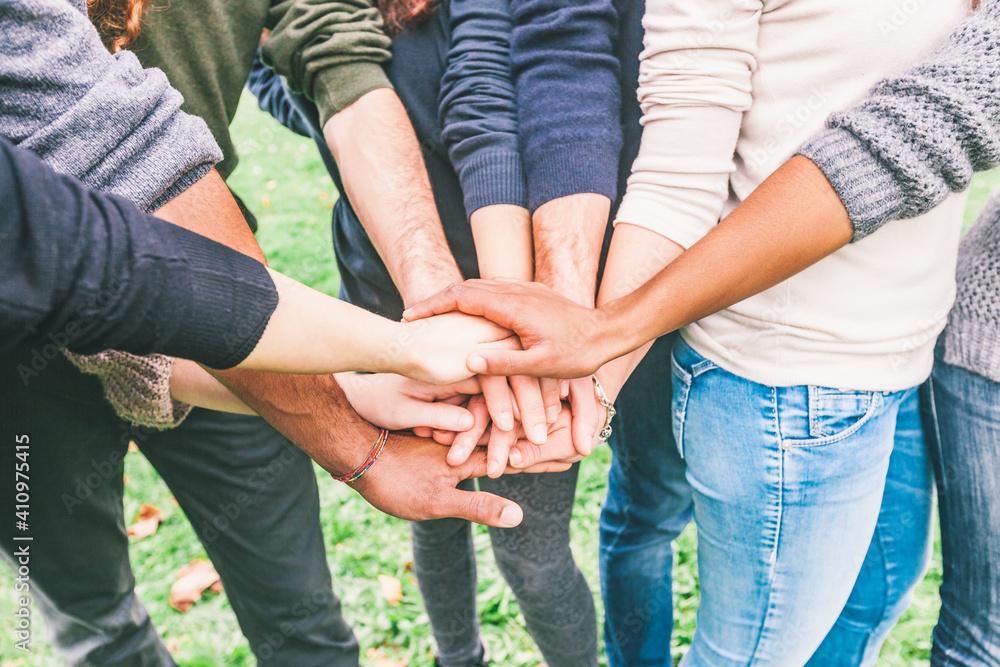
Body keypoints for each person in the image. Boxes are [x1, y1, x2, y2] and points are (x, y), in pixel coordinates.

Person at [411, 0, 972, 663]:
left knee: (870, 597)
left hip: (904, 343)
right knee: (688, 571)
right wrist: (592, 362)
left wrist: (597, 347)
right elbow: (668, 159)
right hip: (786, 369)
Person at [0, 2, 524, 666]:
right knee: (97, 625)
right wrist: (358, 406)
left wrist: (422, 308)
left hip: (210, 266)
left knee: (303, 620)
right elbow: (101, 187)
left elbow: (338, 57)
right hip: (28, 346)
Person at [246, 0, 619, 661]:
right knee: (433, 512)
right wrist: (310, 102)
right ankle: (457, 657)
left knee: (531, 551)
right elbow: (271, 69)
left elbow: (487, 106)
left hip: (503, 296)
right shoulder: (308, 16)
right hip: (384, 305)